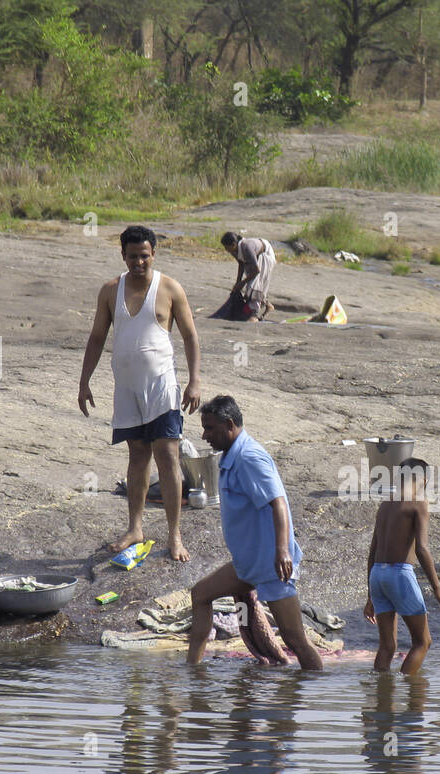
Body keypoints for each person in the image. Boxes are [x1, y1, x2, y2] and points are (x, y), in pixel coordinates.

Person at [78, 224, 202, 561]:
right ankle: (135, 527)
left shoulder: (170, 288)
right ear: (123, 255)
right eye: (132, 256)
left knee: (167, 456)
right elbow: (96, 338)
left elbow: (190, 335)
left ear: (153, 254)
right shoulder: (110, 291)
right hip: (127, 388)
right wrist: (84, 380)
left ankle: (174, 536)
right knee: (137, 457)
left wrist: (194, 381)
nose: (138, 262)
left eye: (144, 256)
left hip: (162, 387)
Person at [186, 395, 322, 670]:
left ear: (230, 424)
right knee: (200, 594)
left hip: (272, 566)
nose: (204, 435)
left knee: (296, 639)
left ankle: (314, 683)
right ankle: (192, 669)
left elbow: (279, 502)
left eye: (210, 428)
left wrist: (283, 551)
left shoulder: (249, 457)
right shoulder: (231, 456)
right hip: (248, 565)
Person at [363, 458, 440, 674]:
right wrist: (437, 587)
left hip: (377, 574)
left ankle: (381, 696)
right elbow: (422, 549)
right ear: (423, 480)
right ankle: (412, 700)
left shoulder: (385, 504)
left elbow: (372, 552)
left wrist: (370, 596)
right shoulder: (418, 502)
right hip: (399, 575)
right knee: (423, 642)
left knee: (387, 646)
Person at [220, 232, 275, 321]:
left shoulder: (246, 247)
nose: (226, 250)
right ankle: (268, 305)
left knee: (254, 284)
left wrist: (242, 283)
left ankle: (254, 314)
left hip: (266, 254)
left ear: (233, 244)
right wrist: (237, 282)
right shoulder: (234, 250)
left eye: (227, 247)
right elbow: (241, 264)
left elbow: (256, 271)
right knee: (251, 281)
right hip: (255, 255)